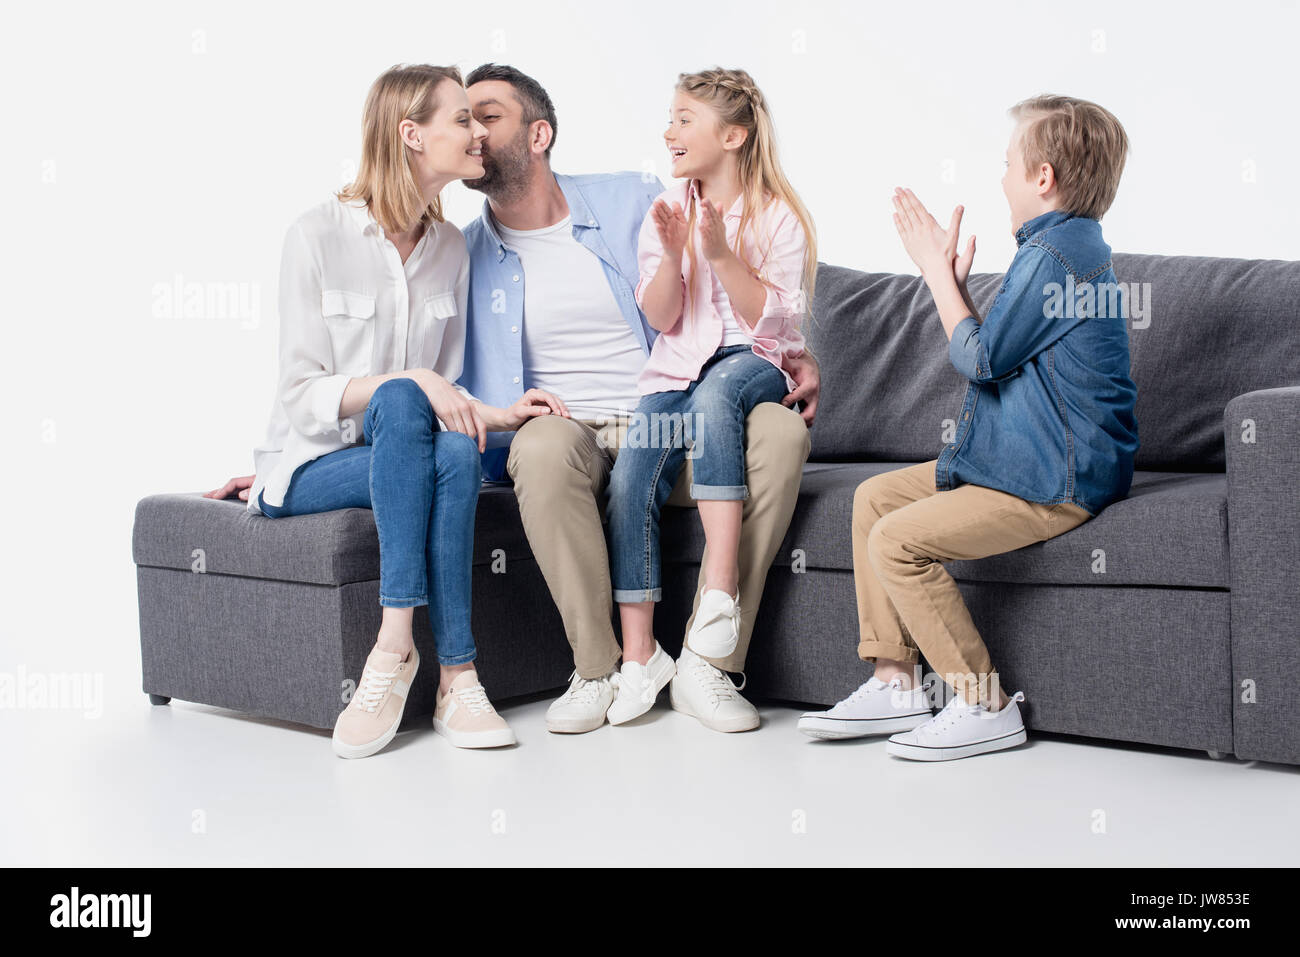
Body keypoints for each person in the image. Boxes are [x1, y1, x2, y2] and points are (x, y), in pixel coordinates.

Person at [211, 64, 566, 759]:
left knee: (457, 447)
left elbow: (448, 392)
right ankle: (402, 644)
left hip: (411, 453)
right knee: (404, 397)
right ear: (412, 134)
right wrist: (404, 379)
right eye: (461, 119)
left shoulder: (451, 248)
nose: (477, 134)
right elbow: (300, 394)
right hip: (314, 462)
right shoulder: (315, 235)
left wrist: (497, 413)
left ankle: (454, 677)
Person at [459, 63, 821, 734]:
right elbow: (424, 367)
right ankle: (604, 668)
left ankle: (710, 662)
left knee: (780, 433)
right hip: (569, 430)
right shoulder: (458, 256)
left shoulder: (635, 199)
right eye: (461, 118)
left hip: (668, 412)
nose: (470, 130)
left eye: (486, 115)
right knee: (538, 449)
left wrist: (790, 354)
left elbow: (731, 316)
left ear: (538, 134)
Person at [799, 95, 1138, 760]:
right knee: (874, 500)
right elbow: (1002, 354)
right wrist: (952, 285)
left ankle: (983, 701)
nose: (1001, 177)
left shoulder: (1055, 257)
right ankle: (897, 680)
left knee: (897, 540)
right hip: (1023, 455)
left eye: (1009, 163)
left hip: (1053, 477)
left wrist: (933, 274)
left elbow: (980, 360)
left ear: (1043, 177)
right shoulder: (1060, 247)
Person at [602, 68, 817, 727]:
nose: (669, 131)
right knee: (632, 468)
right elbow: (664, 319)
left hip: (750, 362)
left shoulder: (778, 217)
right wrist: (673, 257)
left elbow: (775, 326)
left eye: (684, 118)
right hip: (677, 366)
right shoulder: (666, 211)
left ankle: (719, 594)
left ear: (732, 135)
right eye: (669, 117)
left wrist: (722, 256)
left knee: (718, 394)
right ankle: (641, 656)